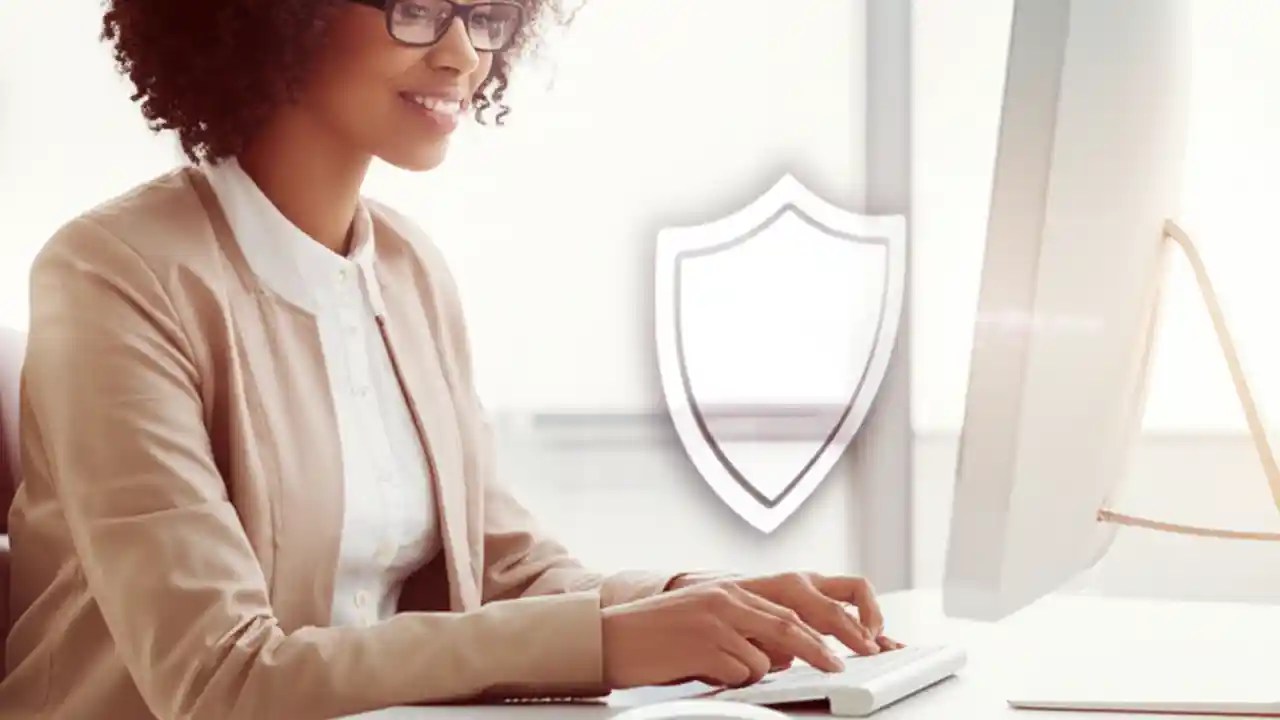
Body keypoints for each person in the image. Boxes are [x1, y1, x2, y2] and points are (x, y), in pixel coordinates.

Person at [0, 0, 900, 718]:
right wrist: (609, 639)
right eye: (421, 8)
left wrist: (705, 601)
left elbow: (504, 572)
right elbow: (217, 678)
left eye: (485, 13)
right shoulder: (113, 275)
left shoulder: (406, 268)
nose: (464, 54)